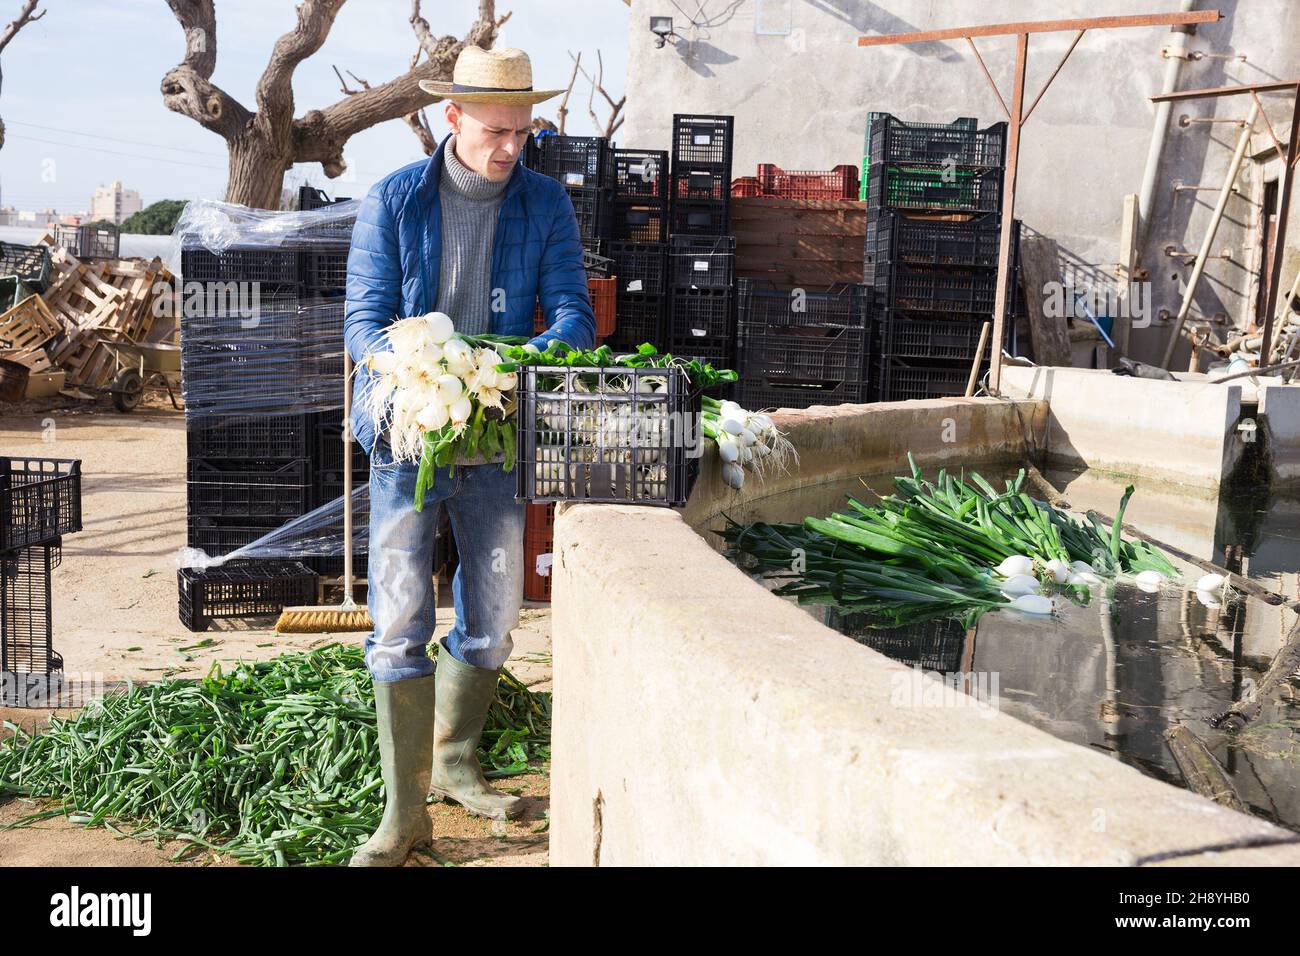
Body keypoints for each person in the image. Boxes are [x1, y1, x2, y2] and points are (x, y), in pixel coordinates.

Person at [343, 45, 596, 866]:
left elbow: (572, 315)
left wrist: (506, 363)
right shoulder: (392, 200)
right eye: (497, 130)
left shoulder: (546, 203)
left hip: (495, 438)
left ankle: (455, 764)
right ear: (452, 119)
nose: (512, 146)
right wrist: (421, 371)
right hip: (407, 438)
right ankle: (402, 812)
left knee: (492, 621)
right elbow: (364, 323)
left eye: (524, 132)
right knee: (398, 620)